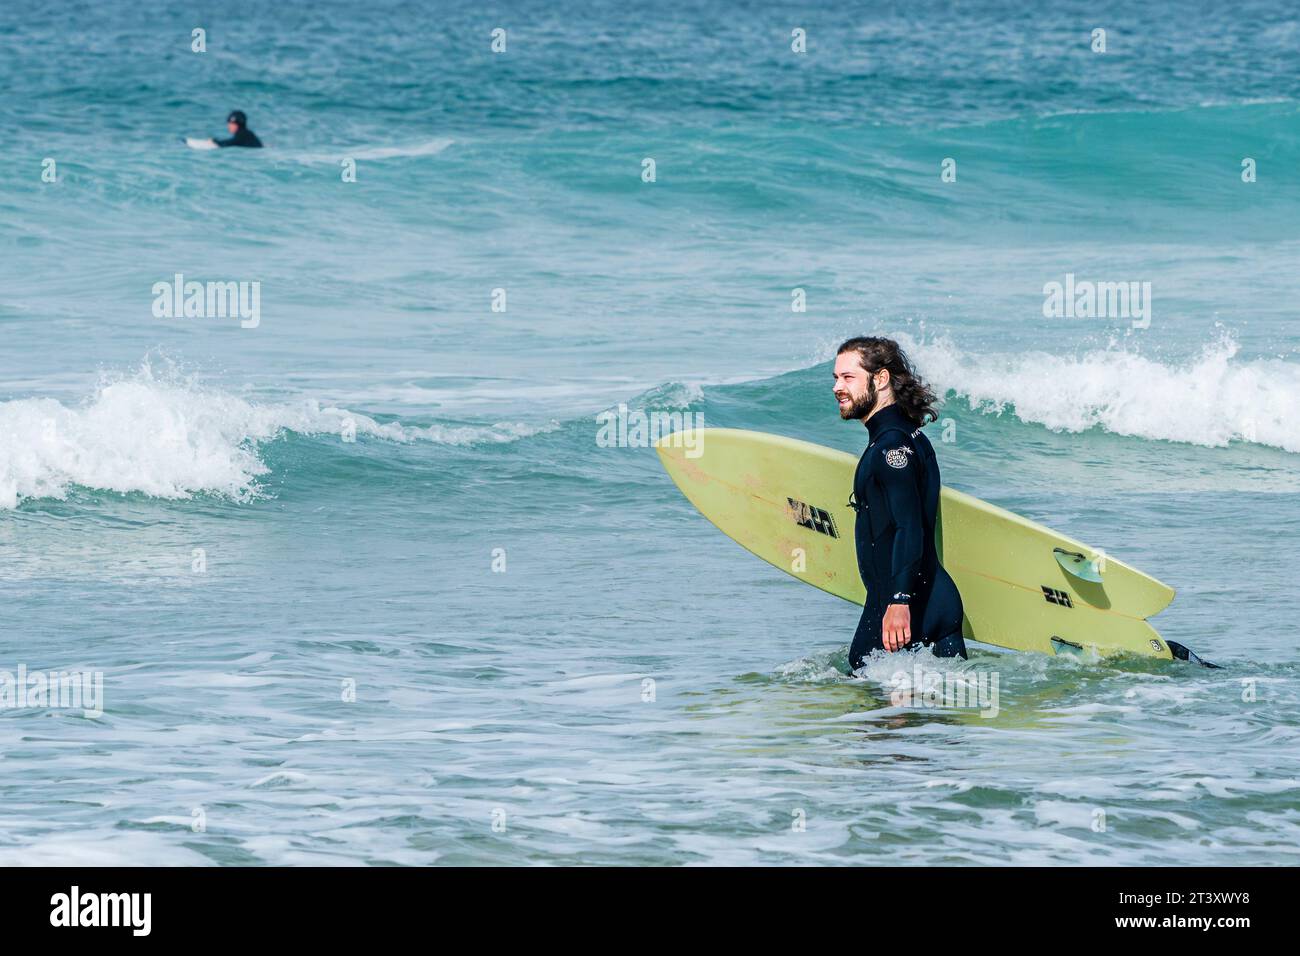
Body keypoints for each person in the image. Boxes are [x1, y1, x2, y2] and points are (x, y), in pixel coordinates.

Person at [832, 337, 967, 668]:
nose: (837, 387)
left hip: (901, 612)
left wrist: (898, 601)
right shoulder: (912, 438)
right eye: (835, 378)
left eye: (848, 377)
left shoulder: (890, 449)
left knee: (870, 709)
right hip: (932, 602)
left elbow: (909, 526)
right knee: (939, 715)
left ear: (880, 379)